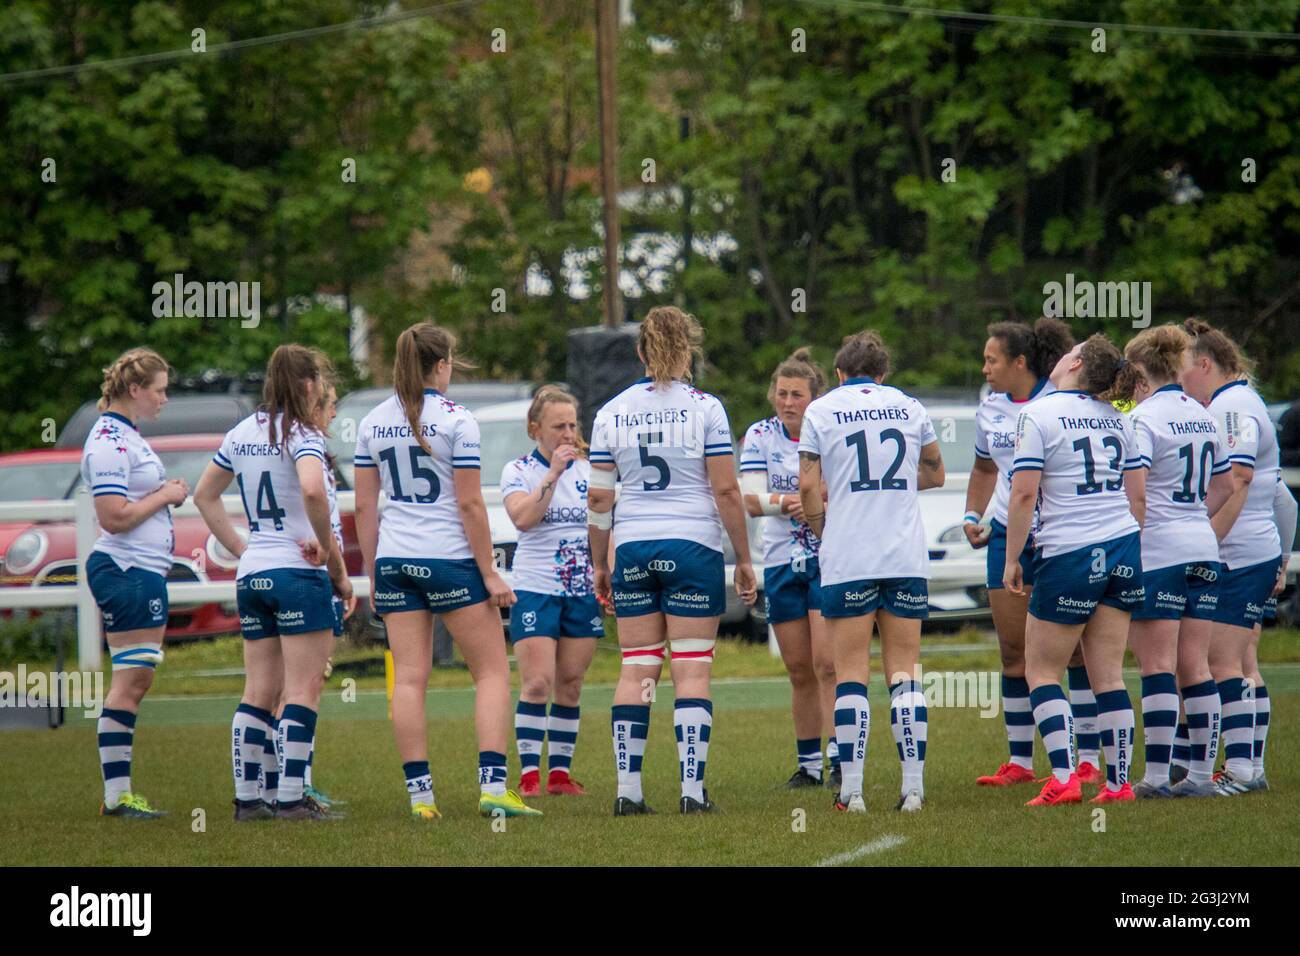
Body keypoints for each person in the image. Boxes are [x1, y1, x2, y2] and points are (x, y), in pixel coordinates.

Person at [352, 322, 538, 819]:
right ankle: (493, 788)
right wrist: (490, 572)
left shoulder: (371, 421)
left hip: (395, 559)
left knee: (410, 679)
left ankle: (422, 800)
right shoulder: (458, 419)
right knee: (492, 672)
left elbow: (366, 510)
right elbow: (471, 505)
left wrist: (374, 574)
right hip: (449, 559)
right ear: (440, 365)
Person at [588, 306, 757, 816]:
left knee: (638, 668)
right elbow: (726, 490)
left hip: (635, 547)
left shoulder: (610, 411)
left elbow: (599, 500)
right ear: (689, 351)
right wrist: (744, 557)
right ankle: (690, 791)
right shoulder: (707, 407)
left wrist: (600, 563)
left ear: (640, 352)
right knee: (691, 671)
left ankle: (628, 792)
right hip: (692, 546)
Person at [194, 344, 353, 821]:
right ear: (306, 385)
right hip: (296, 573)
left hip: (254, 573)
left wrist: (244, 549)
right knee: (302, 689)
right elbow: (310, 488)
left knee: (257, 691)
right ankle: (289, 798)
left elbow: (205, 496)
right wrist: (330, 558)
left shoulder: (242, 432)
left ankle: (248, 800)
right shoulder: (302, 433)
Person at [797, 331, 945, 813]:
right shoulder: (909, 406)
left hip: (849, 556)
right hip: (903, 556)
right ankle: (914, 789)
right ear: (882, 374)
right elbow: (935, 473)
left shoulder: (820, 409)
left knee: (851, 677)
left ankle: (853, 791)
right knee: (905, 674)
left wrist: (823, 528)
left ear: (839, 373)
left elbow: (808, 487)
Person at [965, 318, 1108, 787]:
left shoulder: (1061, 399)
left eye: (992, 359)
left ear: (1020, 362)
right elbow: (985, 467)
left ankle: (1086, 759)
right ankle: (1022, 763)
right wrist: (973, 514)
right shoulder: (989, 408)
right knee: (1014, 654)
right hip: (1007, 534)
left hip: (1057, 538)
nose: (984, 367)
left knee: (1074, 656)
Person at [1006, 334, 1145, 806]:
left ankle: (1064, 779)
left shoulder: (1038, 413)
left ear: (1077, 362)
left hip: (1071, 551)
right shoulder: (1118, 418)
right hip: (1123, 546)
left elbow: (1024, 495)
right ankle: (1119, 783)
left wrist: (1012, 558)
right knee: (1109, 675)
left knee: (1042, 671)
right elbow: (1134, 495)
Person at [1110, 325, 1233, 798]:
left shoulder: (1141, 420)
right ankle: (1201, 777)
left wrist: (1132, 546)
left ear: (1139, 371)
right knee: (1196, 666)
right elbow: (1223, 487)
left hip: (1159, 549)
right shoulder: (1203, 415)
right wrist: (1192, 516)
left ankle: (1158, 778)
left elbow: (1135, 497)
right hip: (1203, 545)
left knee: (1158, 666)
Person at [1179, 319, 1284, 795]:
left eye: (1183, 371)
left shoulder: (1232, 406)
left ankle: (1241, 771)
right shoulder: (1236, 402)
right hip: (1250, 552)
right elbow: (1284, 498)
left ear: (1204, 364)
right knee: (1239, 663)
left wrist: (1203, 539)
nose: (1180, 383)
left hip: (1238, 555)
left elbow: (1238, 480)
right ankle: (1241, 767)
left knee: (1222, 664)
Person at [82, 348, 187, 818]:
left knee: (136, 679)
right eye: (160, 390)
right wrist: (165, 495)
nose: (165, 398)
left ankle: (118, 795)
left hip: (141, 571)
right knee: (131, 682)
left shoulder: (127, 435)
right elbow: (114, 517)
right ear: (134, 390)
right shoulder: (109, 441)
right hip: (125, 569)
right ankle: (116, 797)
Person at [739, 348, 839, 789]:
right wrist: (790, 503)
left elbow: (842, 492)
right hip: (781, 561)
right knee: (798, 667)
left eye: (797, 394)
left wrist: (819, 503)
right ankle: (809, 765)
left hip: (826, 557)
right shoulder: (760, 435)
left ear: (814, 397)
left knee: (827, 663)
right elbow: (751, 499)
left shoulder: (829, 429)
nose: (788, 402)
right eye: (782, 393)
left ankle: (840, 757)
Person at [501, 386, 603, 798]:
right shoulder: (519, 470)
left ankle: (559, 775)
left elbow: (604, 523)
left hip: (580, 587)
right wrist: (553, 474)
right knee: (538, 682)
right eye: (557, 426)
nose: (567, 433)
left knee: (571, 682)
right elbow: (523, 519)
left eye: (572, 425)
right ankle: (529, 776)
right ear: (535, 429)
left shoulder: (591, 469)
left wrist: (605, 569)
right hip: (536, 586)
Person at [292, 362, 356, 809]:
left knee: (303, 683)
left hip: (315, 573)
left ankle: (288, 782)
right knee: (301, 686)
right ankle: (294, 786)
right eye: (331, 405)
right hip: (307, 574)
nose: (334, 414)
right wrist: (337, 573)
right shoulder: (305, 447)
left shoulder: (313, 450)